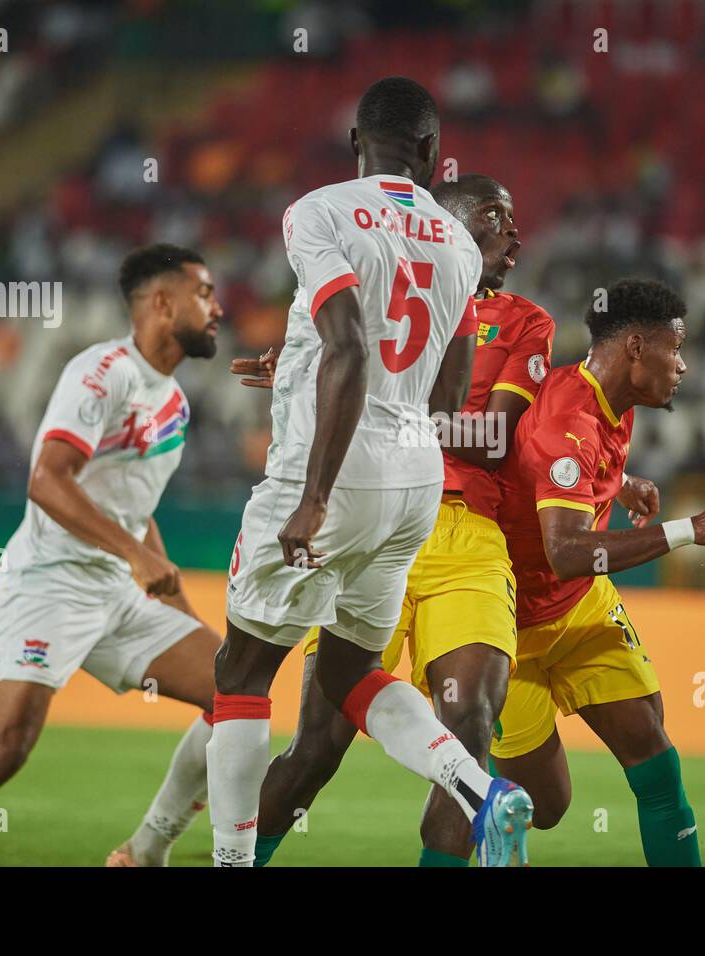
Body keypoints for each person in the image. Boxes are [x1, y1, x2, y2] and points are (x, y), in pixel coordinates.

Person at [209, 77, 533, 868]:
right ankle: (477, 787)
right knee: (352, 669)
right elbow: (449, 395)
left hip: (333, 471)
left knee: (242, 668)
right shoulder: (458, 243)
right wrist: (302, 364)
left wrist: (312, 498)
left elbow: (351, 345)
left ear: (357, 142)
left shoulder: (317, 211)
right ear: (429, 153)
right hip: (414, 479)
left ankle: (229, 861)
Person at [253, 173, 599, 867]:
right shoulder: (376, 294)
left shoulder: (528, 321)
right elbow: (347, 375)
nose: (516, 235)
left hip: (466, 535)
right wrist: (304, 375)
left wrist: (375, 408)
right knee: (317, 746)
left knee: (469, 724)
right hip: (377, 523)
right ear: (455, 222)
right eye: (499, 218)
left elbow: (494, 439)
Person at [0, 244, 227, 867]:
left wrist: (176, 602)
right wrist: (134, 556)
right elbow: (46, 479)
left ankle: (145, 852)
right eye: (204, 293)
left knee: (234, 691)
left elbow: (133, 505)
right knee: (2, 749)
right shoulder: (102, 372)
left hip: (116, 593)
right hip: (49, 582)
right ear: (161, 301)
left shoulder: (174, 402)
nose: (218, 307)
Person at [490, 277, 705, 866]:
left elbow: (560, 473)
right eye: (677, 348)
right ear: (638, 348)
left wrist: (618, 483)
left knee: (654, 754)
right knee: (546, 806)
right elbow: (566, 549)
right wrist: (691, 530)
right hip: (509, 625)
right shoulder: (569, 420)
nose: (685, 366)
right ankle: (486, 811)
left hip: (582, 606)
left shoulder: (604, 400)